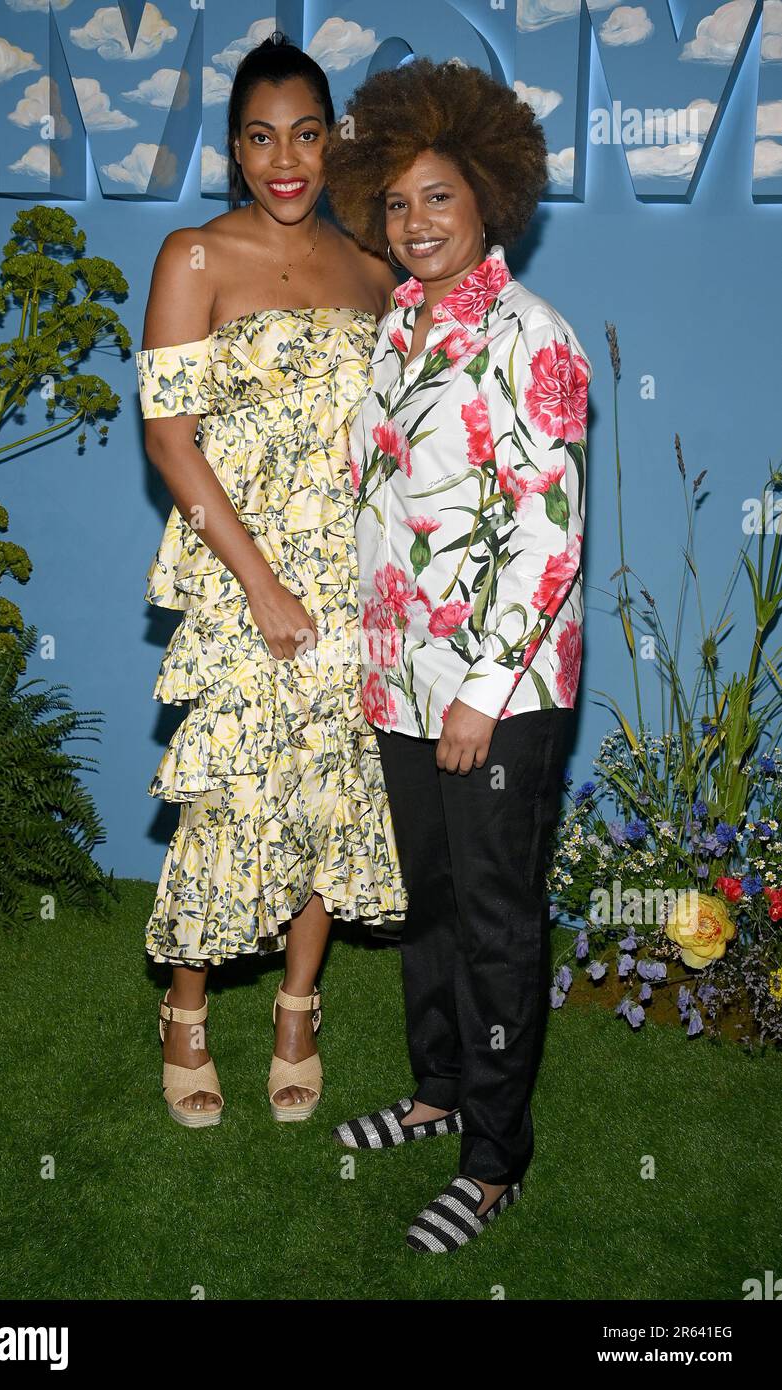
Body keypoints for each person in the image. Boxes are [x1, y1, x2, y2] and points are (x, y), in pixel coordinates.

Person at [324, 57, 592, 1250]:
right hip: (401, 679)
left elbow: (550, 529)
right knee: (426, 904)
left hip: (501, 689)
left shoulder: (533, 334)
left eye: (438, 197)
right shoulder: (393, 328)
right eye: (396, 202)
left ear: (489, 197)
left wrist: (480, 693)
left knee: (492, 918)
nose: (415, 222)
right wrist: (379, 665)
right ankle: (437, 1091)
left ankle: (495, 1161)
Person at [135, 33, 407, 1129]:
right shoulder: (193, 257)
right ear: (234, 147)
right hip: (242, 571)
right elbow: (167, 439)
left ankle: (299, 1007)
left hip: (353, 580)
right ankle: (186, 1013)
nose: (284, 159)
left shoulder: (373, 270)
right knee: (233, 795)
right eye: (260, 136)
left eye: (305, 133)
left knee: (330, 798)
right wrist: (259, 586)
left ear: (331, 139)